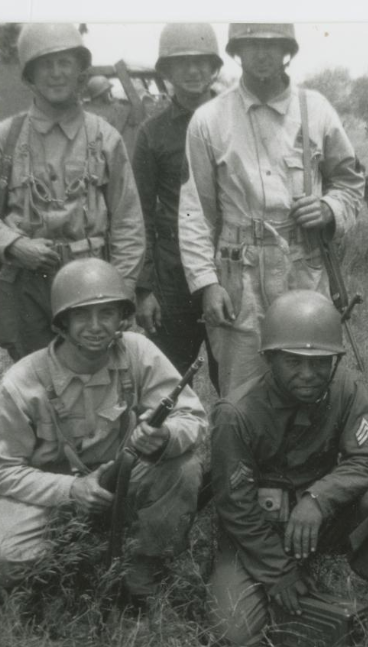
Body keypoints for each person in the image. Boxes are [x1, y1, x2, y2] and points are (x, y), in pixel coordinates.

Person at [0, 258, 206, 603]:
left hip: (122, 481)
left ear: (121, 317)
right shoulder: (22, 382)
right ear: (62, 322)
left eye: (106, 313)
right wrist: (72, 489)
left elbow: (191, 417)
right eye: (82, 315)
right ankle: (69, 565)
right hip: (51, 492)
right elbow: (0, 471)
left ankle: (144, 566)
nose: (96, 327)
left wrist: (165, 437)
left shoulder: (137, 351)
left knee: (183, 467)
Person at [207, 290, 368, 647]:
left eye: (320, 362)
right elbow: (236, 507)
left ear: (334, 361)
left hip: (318, 523)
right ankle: (272, 586)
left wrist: (318, 499)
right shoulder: (236, 414)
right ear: (270, 358)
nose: (308, 374)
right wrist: (279, 572)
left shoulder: (345, 389)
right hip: (259, 530)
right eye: (293, 362)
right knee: (235, 637)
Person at [179, 23, 364, 396]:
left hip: (302, 266)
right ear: (237, 51)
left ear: (287, 50)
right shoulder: (209, 120)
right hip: (239, 275)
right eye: (251, 44)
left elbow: (350, 183)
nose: (262, 53)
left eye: (272, 44)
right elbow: (195, 213)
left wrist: (329, 208)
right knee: (242, 390)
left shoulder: (316, 110)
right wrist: (207, 284)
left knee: (307, 381)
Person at [0, 23, 145, 362]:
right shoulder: (3, 138)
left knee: (92, 374)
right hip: (26, 281)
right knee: (33, 376)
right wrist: (13, 244)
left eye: (65, 63)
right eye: (45, 65)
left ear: (81, 73)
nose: (56, 73)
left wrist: (123, 289)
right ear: (29, 76)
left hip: (91, 276)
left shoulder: (105, 138)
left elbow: (128, 221)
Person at [132, 23, 223, 389]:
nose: (193, 70)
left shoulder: (232, 121)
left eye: (201, 62)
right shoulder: (152, 133)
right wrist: (144, 289)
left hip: (228, 268)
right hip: (172, 277)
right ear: (166, 71)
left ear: (214, 67)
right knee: (165, 384)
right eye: (182, 62)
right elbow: (139, 213)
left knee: (237, 380)